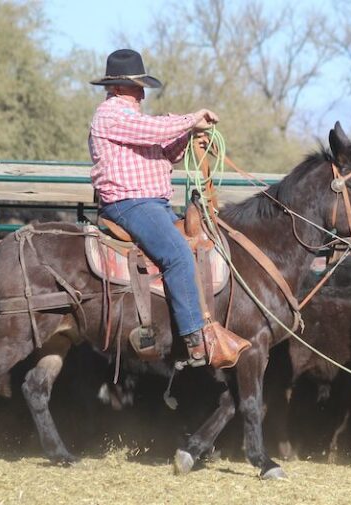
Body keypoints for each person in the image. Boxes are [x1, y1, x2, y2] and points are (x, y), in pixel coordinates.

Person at [88, 49, 219, 367]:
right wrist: (190, 120)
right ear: (117, 87)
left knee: (198, 245)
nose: (142, 93)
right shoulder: (111, 114)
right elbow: (154, 131)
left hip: (152, 204)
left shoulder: (133, 119)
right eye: (136, 86)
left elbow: (166, 149)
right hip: (129, 203)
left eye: (141, 86)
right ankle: (195, 338)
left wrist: (188, 134)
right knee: (178, 254)